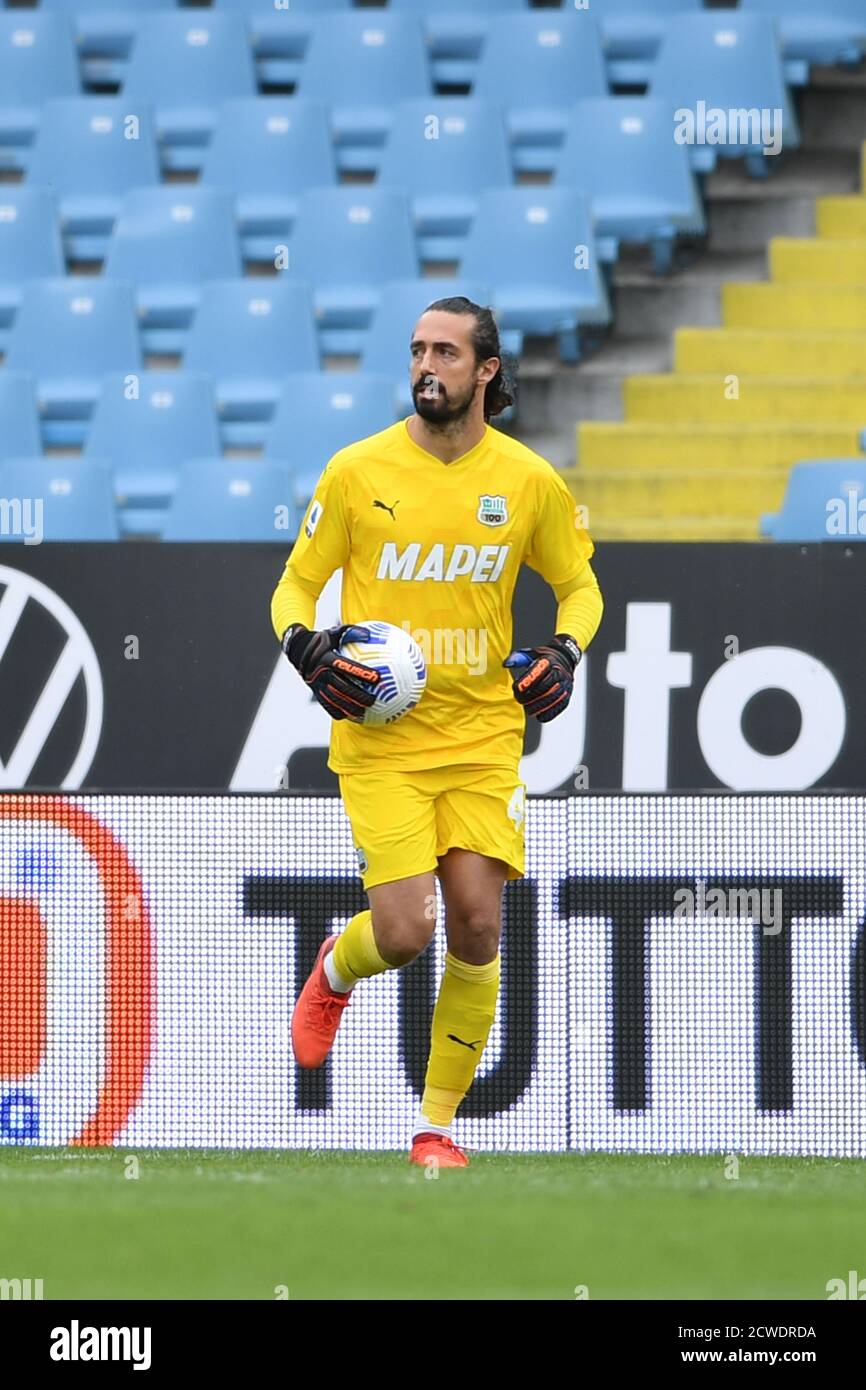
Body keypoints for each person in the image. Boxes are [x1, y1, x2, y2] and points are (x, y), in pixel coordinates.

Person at [270, 297, 603, 1167]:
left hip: (485, 735)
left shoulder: (528, 480)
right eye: (418, 349)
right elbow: (293, 587)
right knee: (409, 928)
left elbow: (582, 588)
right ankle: (336, 971)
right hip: (383, 741)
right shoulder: (356, 470)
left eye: (447, 353)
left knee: (479, 924)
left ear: (486, 371)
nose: (427, 366)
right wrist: (305, 648)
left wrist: (566, 652)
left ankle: (436, 1130)